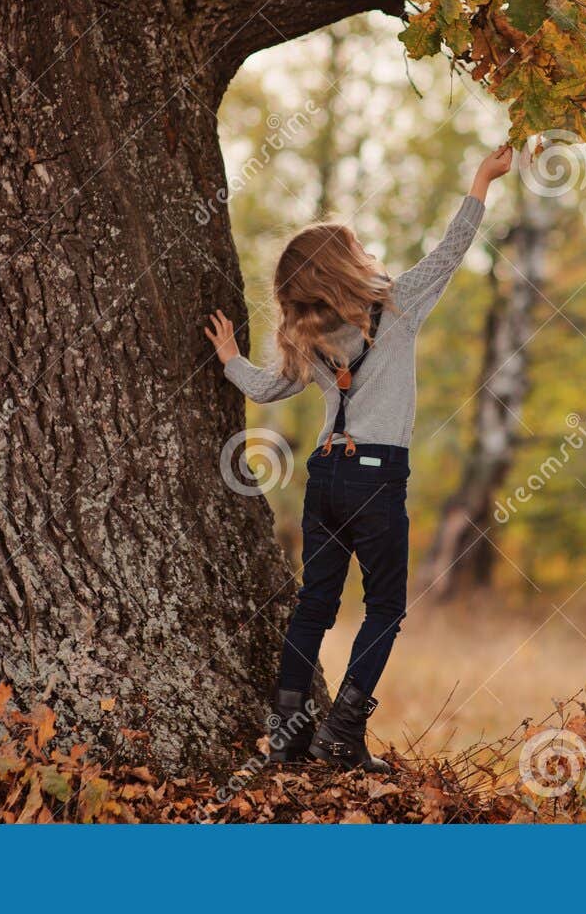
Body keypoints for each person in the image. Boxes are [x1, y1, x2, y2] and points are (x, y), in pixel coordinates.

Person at [204, 144, 515, 771]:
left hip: (324, 477)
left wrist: (230, 357)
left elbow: (266, 388)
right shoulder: (397, 307)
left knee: (314, 606)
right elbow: (453, 248)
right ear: (346, 265)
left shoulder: (307, 337)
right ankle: (340, 733)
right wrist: (482, 176)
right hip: (378, 480)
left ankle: (287, 736)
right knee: (385, 609)